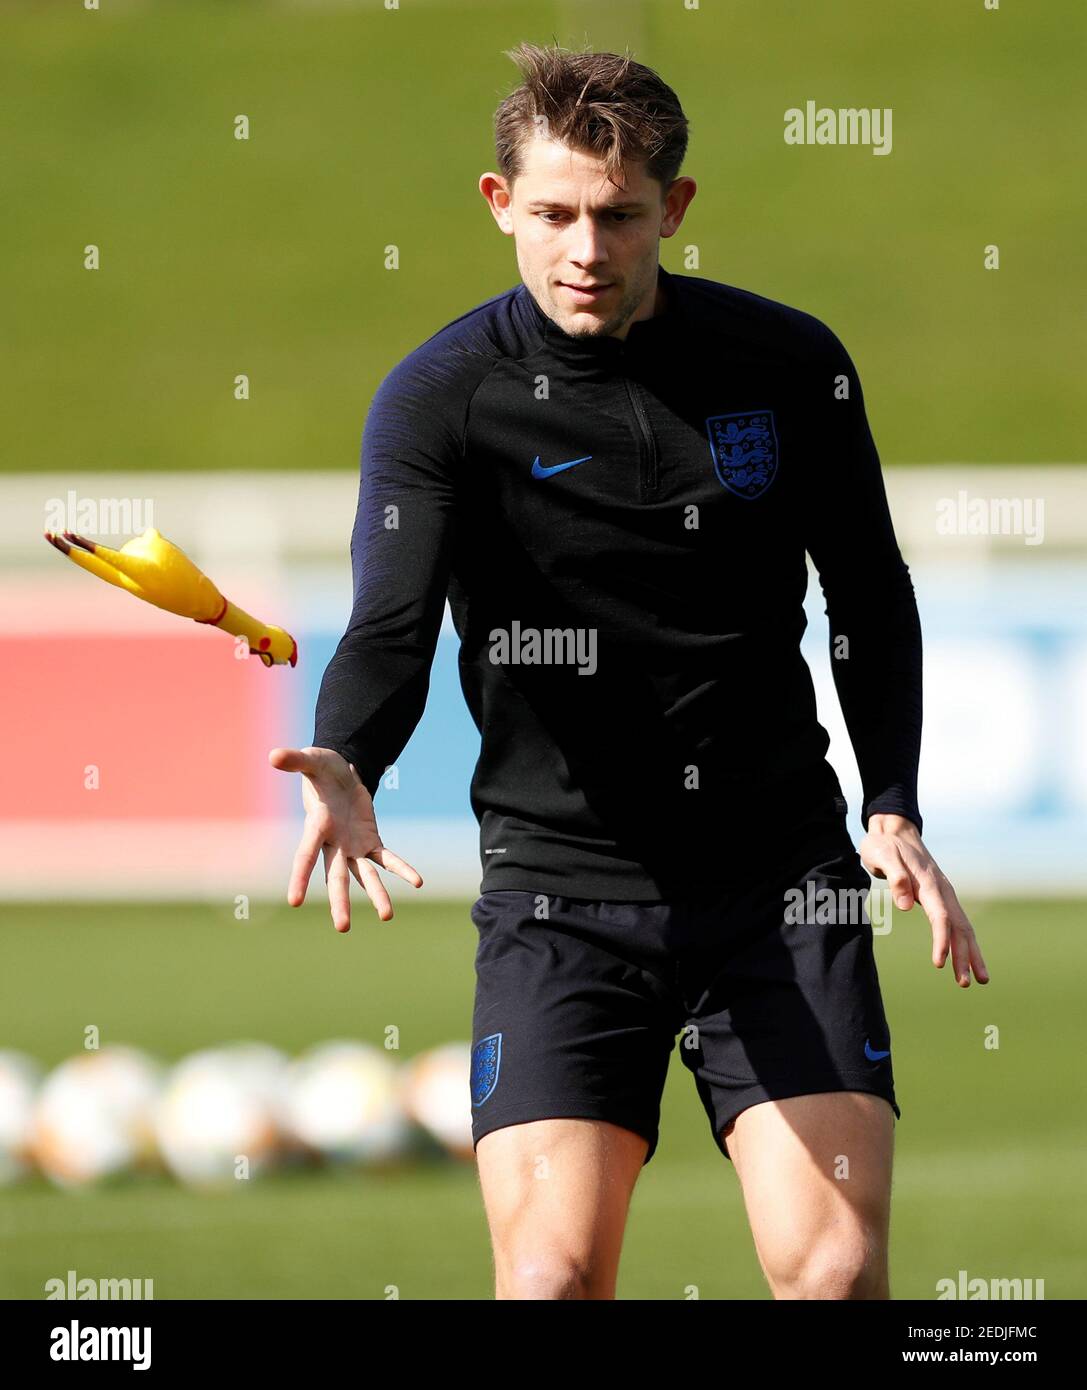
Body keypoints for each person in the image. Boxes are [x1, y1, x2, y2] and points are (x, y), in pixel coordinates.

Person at [270, 43, 989, 1300]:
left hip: (780, 884)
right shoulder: (440, 399)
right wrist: (349, 753)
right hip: (561, 894)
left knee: (830, 1273)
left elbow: (870, 595)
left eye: (618, 215)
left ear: (677, 208)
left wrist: (892, 802)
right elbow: (392, 623)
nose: (584, 249)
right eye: (551, 214)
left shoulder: (787, 366)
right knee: (550, 1280)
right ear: (500, 204)